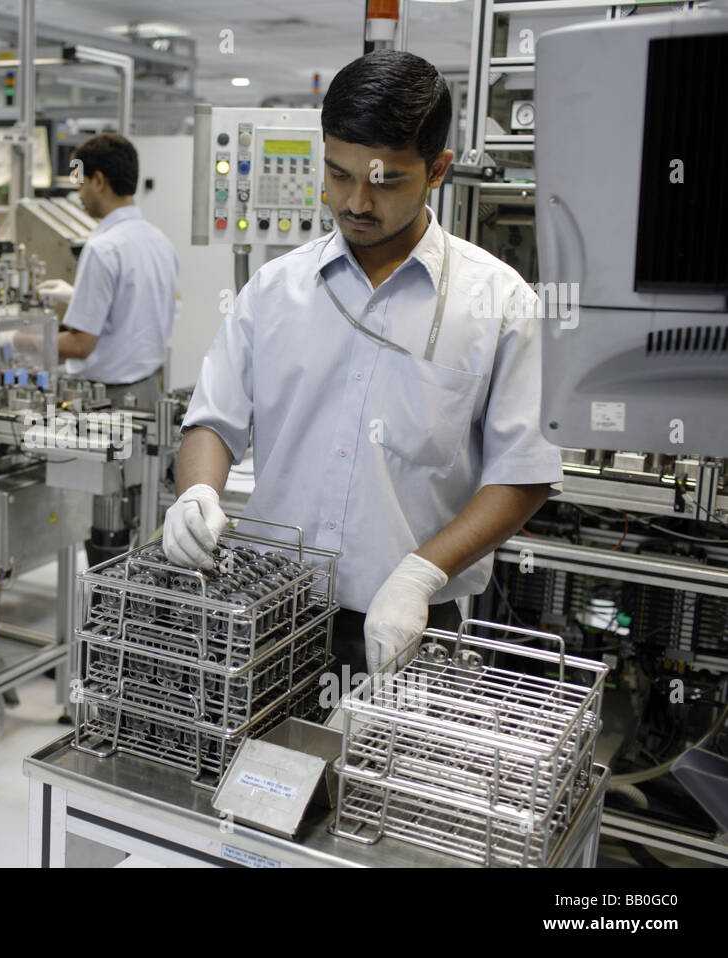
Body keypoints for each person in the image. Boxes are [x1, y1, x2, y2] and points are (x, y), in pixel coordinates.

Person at [163, 51, 563, 680]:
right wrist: (196, 492)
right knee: (253, 777)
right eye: (338, 173)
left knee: (383, 779)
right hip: (264, 614)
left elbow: (524, 473)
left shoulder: (499, 302)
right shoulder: (275, 290)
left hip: (408, 629)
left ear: (438, 170)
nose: (355, 201)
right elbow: (213, 421)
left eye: (386, 180)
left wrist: (418, 575)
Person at [37, 132, 178, 410]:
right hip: (149, 390)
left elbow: (80, 346)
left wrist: (17, 340)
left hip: (109, 401)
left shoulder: (103, 247)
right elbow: (136, 308)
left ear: (99, 181)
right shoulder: (159, 240)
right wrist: (78, 297)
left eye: (81, 182)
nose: (78, 194)